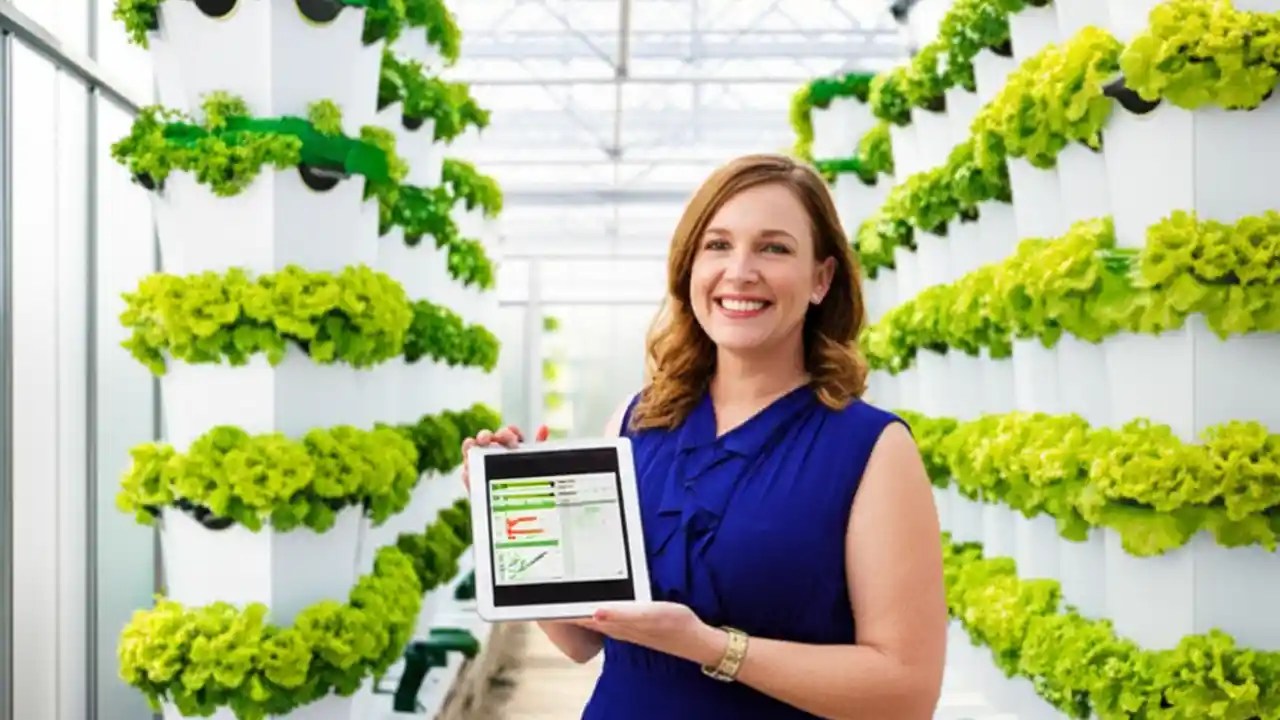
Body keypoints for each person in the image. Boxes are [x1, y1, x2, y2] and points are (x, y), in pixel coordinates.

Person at [461, 153, 947, 718]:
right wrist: (507, 517)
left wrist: (710, 647)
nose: (740, 271)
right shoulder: (633, 422)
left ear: (822, 279)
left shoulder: (873, 450)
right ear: (689, 267)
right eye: (717, 245)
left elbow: (906, 692)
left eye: (774, 248)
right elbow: (582, 640)